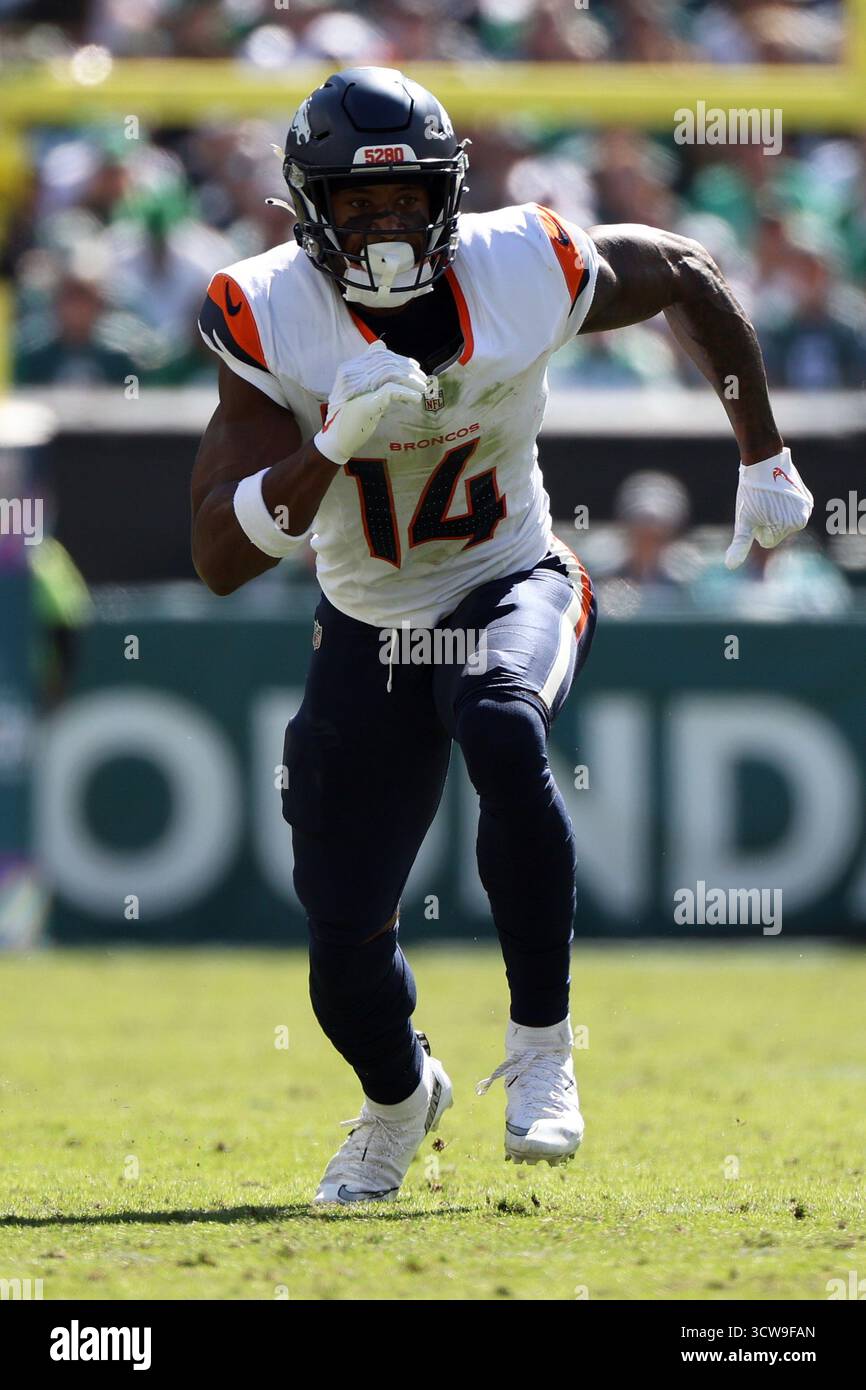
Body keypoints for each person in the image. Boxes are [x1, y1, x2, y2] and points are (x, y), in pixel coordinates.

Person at [191, 67, 813, 1205]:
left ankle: (540, 1050)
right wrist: (329, 443)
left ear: (449, 194)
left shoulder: (521, 261)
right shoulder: (266, 305)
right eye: (360, 204)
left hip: (509, 573)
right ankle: (399, 1100)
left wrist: (760, 452)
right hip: (368, 621)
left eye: (408, 199)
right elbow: (219, 558)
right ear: (309, 206)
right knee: (340, 946)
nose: (388, 227)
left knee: (497, 718)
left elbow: (687, 272)